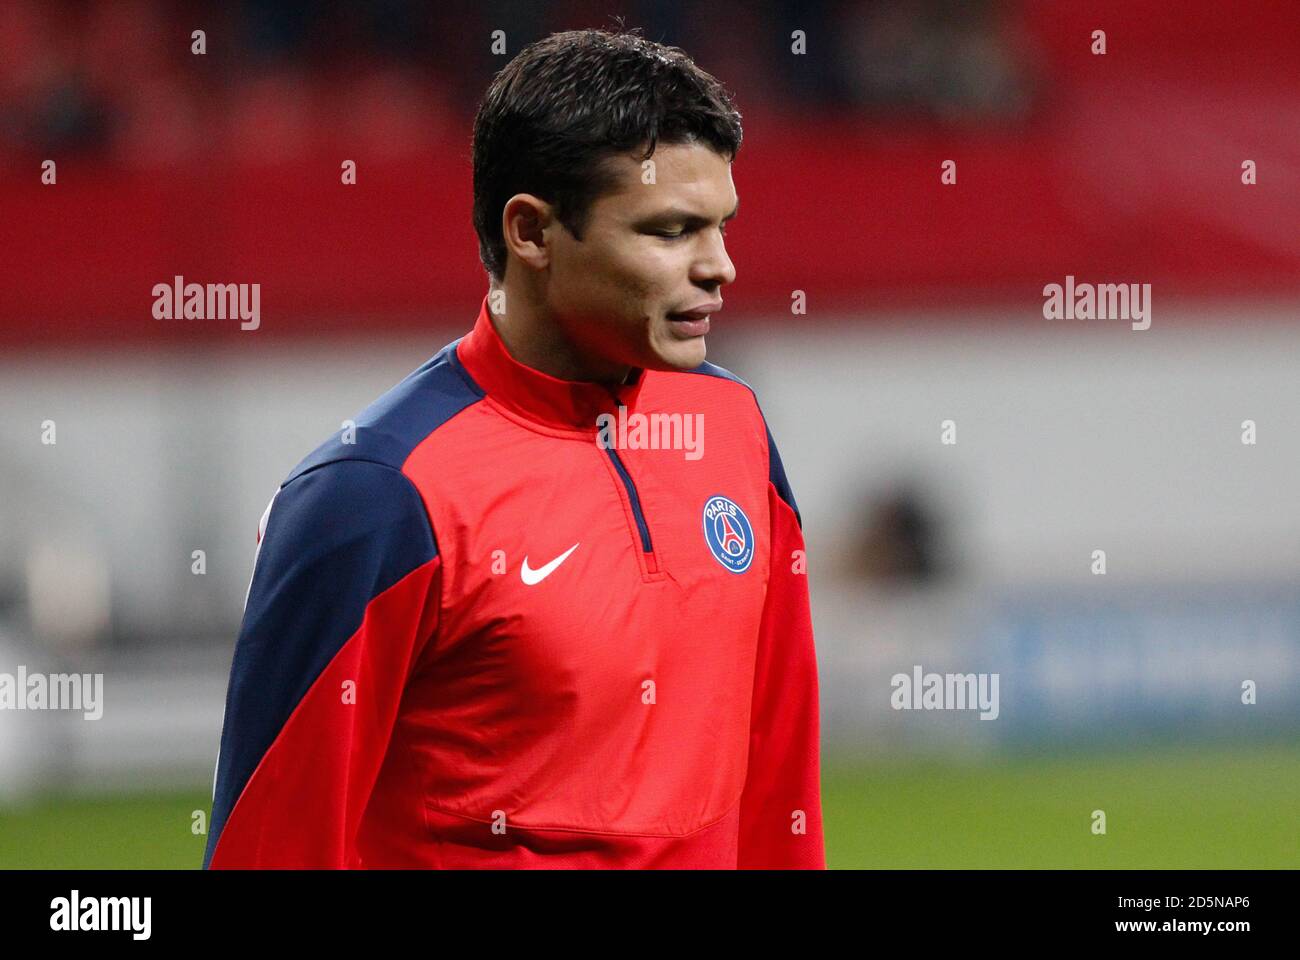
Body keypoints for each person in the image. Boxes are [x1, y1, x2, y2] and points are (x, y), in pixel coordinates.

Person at [205, 27, 824, 869]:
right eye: (671, 230)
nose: (720, 267)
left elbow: (779, 785)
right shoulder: (377, 495)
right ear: (531, 233)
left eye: (721, 226)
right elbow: (271, 848)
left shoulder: (735, 430)